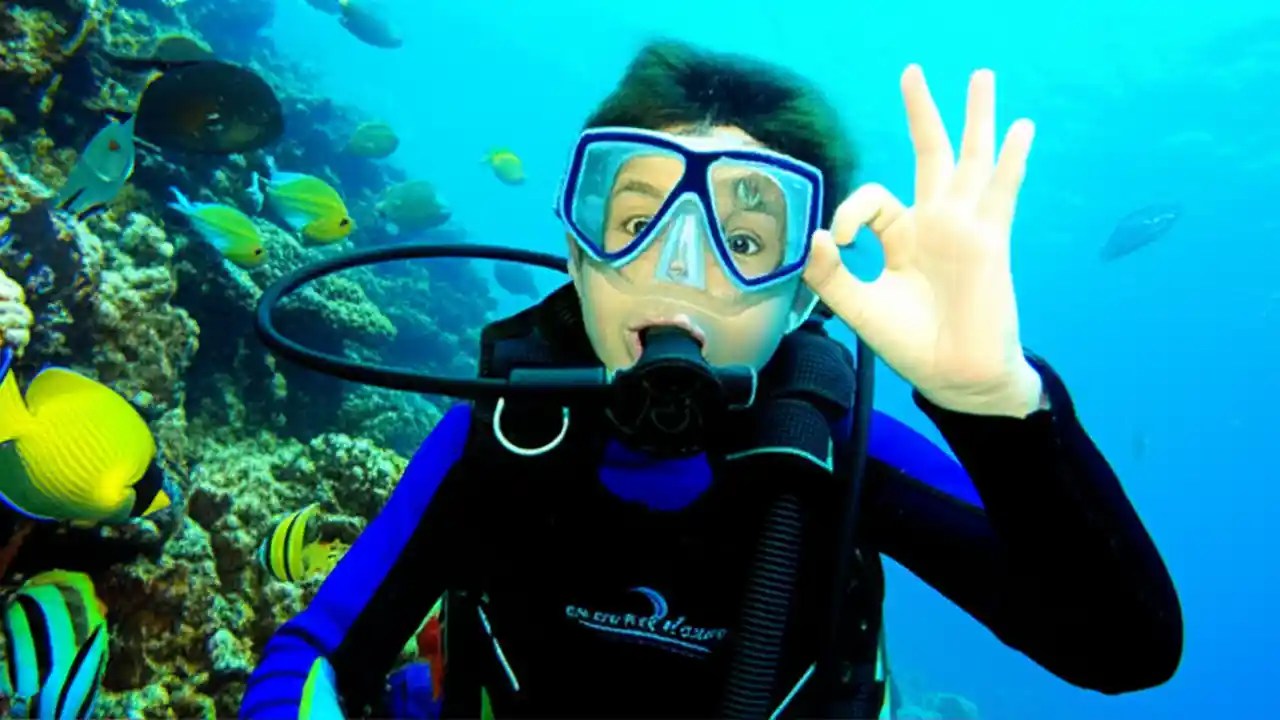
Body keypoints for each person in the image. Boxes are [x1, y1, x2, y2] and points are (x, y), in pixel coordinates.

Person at [239, 40, 1182, 720]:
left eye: (741, 240)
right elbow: (319, 650)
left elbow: (1123, 650)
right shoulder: (509, 434)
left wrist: (996, 407)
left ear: (803, 300)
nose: (676, 268)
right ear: (577, 252)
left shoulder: (833, 457)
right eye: (636, 216)